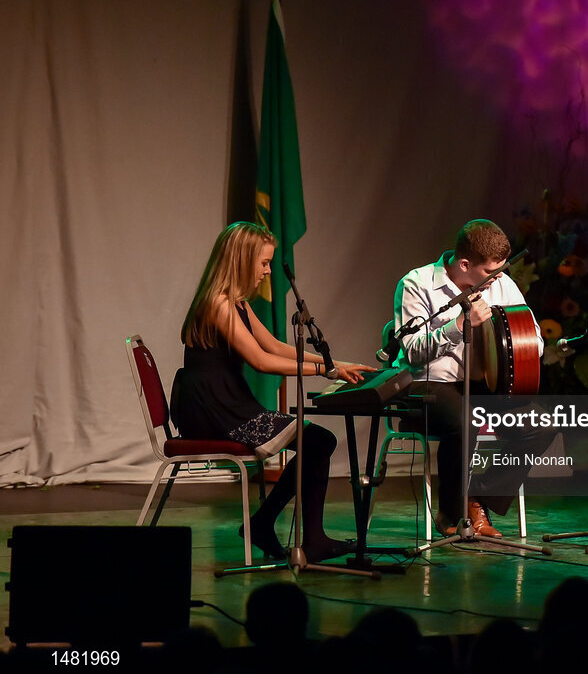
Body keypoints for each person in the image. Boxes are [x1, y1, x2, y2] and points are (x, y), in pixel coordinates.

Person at [175, 221, 374, 562]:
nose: (268, 271)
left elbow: (275, 346)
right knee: (319, 441)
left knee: (319, 441)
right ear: (242, 261)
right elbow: (261, 361)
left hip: (226, 404)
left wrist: (335, 363)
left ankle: (271, 525)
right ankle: (290, 532)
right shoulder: (218, 304)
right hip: (214, 411)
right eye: (264, 263)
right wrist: (324, 371)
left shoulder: (236, 303)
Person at [393, 219, 553, 537]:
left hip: (485, 385)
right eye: (490, 272)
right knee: (463, 420)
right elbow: (412, 351)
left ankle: (478, 497)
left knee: (541, 424)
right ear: (465, 264)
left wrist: (512, 344)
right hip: (430, 384)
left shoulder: (502, 283)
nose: (498, 278)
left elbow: (533, 337)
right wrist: (458, 326)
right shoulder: (417, 283)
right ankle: (451, 512)